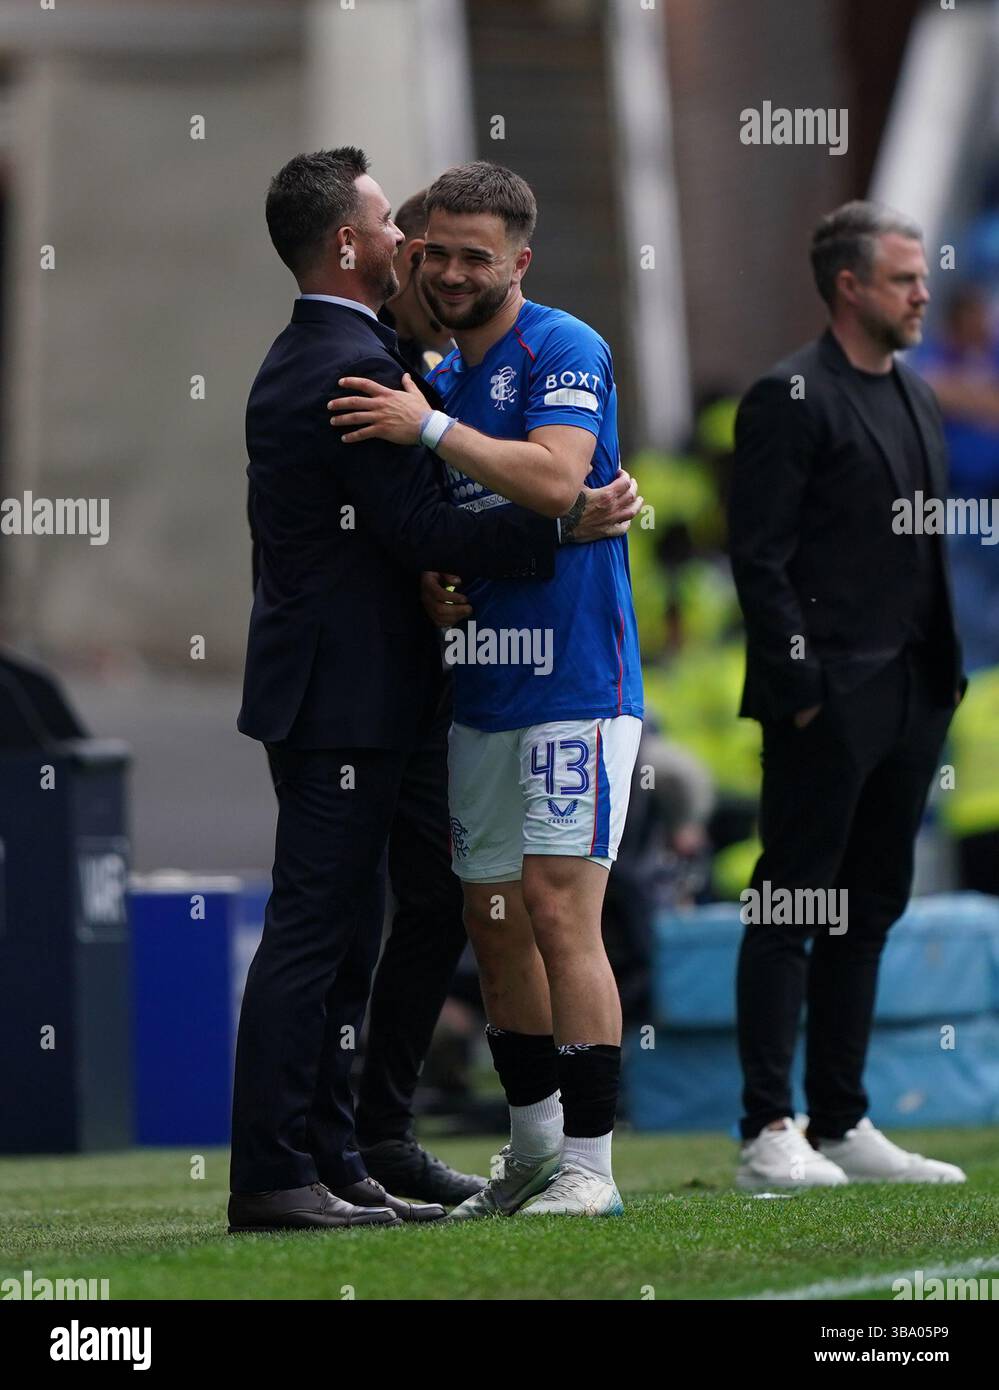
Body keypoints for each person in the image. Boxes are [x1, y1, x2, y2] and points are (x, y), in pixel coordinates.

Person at [229, 147, 638, 1234]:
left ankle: (560, 1160)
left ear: (519, 262)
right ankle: (309, 1168)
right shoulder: (379, 367)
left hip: (553, 686)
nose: (438, 265)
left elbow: (542, 480)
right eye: (419, 243)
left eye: (467, 255)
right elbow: (420, 523)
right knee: (439, 922)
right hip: (386, 694)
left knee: (526, 911)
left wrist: (466, 481)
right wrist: (472, 552)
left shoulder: (522, 354)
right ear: (360, 245)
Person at [728, 200, 967, 1190]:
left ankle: (841, 1117)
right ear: (849, 287)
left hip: (914, 691)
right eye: (906, 278)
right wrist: (804, 690)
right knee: (793, 898)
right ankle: (765, 1128)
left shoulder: (916, 397)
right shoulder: (789, 394)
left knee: (870, 906)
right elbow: (761, 556)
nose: (924, 293)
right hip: (828, 697)